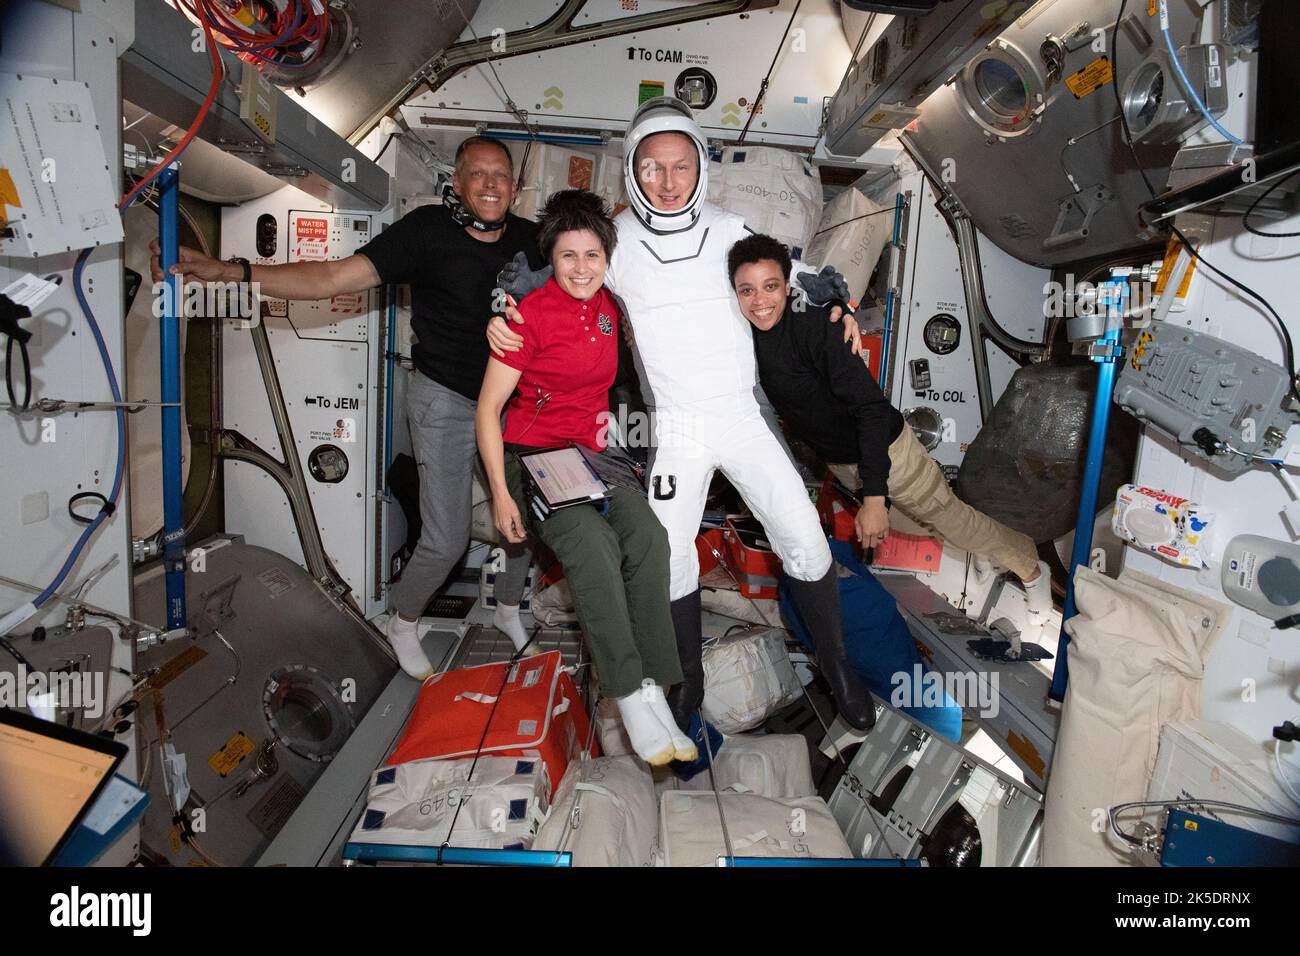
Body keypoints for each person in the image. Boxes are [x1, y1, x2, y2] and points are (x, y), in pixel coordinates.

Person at [489, 97, 875, 731]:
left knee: (805, 539)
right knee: (667, 559)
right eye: (651, 169)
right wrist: (501, 307)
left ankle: (838, 669)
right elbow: (542, 275)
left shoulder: (731, 231)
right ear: (632, 174)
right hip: (677, 429)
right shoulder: (614, 246)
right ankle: (684, 685)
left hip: (741, 418)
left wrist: (839, 305)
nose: (667, 184)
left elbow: (796, 277)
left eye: (680, 167)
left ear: (700, 167)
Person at [150, 137, 543, 678]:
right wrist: (230, 271)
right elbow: (331, 277)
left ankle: (505, 610)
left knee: (527, 519)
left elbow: (590, 262)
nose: (491, 183)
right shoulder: (426, 231)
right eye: (478, 173)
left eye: (501, 174)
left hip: (509, 399)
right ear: (456, 183)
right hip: (447, 400)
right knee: (447, 538)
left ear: (515, 187)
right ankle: (402, 622)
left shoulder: (533, 240)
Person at [725, 232, 1053, 623]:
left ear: (786, 284)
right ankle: (979, 546)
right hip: (844, 461)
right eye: (747, 290)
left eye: (770, 286)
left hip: (886, 449)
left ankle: (1032, 569)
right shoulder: (749, 339)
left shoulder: (817, 328)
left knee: (947, 517)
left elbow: (871, 409)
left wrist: (875, 498)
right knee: (914, 522)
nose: (760, 301)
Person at [476, 190, 695, 766]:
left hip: (598, 453)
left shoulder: (611, 309)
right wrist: (501, 494)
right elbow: (487, 411)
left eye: (592, 255)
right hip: (538, 453)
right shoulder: (526, 314)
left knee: (649, 538)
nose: (581, 268)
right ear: (552, 258)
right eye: (568, 256)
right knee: (594, 549)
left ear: (606, 256)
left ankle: (653, 686)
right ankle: (624, 691)